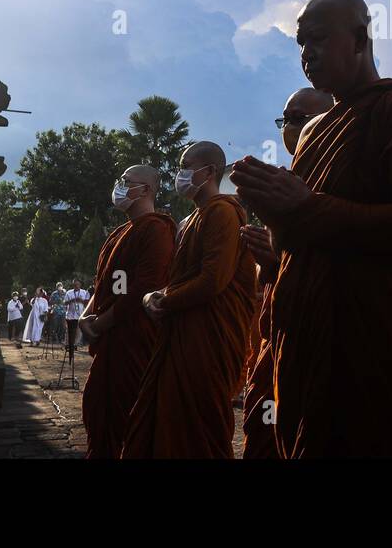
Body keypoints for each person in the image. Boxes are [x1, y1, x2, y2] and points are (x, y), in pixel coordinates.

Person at [231, 0, 392, 458]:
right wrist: (276, 216)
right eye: (299, 44)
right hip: (308, 337)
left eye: (316, 39)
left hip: (373, 342)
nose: (306, 54)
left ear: (359, 38)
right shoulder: (315, 131)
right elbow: (300, 237)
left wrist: (305, 208)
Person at [123, 142, 258, 458]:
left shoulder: (224, 212)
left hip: (208, 339)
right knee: (168, 418)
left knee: (199, 425)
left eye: (186, 166)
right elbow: (180, 280)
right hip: (182, 333)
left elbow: (213, 280)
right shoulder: (188, 221)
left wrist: (163, 300)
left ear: (209, 171)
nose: (179, 173)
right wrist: (160, 298)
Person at [241, 87, 334, 459]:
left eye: (301, 118)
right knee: (264, 430)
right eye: (286, 119)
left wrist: (279, 260)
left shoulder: (337, 179)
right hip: (279, 335)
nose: (290, 128)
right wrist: (269, 262)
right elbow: (276, 275)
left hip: (324, 337)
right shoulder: (281, 181)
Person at [79, 164, 175, 459]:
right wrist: (86, 316)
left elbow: (143, 288)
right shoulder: (120, 232)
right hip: (109, 338)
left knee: (127, 417)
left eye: (125, 181)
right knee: (98, 411)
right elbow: (103, 284)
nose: (119, 186)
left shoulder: (157, 229)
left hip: (132, 339)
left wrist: (102, 324)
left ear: (145, 189)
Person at [64, 278, 89, 350]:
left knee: (79, 330)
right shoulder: (69, 292)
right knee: (69, 330)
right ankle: (67, 344)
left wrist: (81, 301)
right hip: (70, 314)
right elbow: (65, 303)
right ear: (73, 285)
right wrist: (72, 300)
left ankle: (75, 344)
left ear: (80, 284)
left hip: (80, 314)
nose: (76, 286)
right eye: (75, 284)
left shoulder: (84, 292)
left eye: (77, 284)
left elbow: (87, 304)